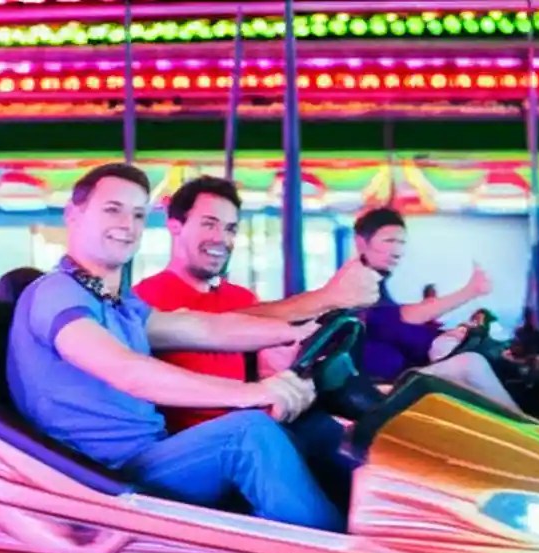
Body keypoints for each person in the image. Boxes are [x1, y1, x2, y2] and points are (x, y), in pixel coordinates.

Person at [7, 163, 342, 531]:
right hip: (104, 479)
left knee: (315, 433)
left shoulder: (117, 301)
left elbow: (203, 328)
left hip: (148, 455)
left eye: (137, 214)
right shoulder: (55, 293)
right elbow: (129, 372)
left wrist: (291, 332)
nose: (128, 225)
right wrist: (251, 393)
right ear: (74, 214)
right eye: (112, 209)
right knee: (248, 433)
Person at [133, 176, 380, 511]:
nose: (222, 238)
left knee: (351, 437)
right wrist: (328, 296)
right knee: (312, 440)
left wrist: (297, 370)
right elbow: (215, 325)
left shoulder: (239, 295)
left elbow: (266, 352)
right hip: (205, 449)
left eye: (231, 228)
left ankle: (402, 525)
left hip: (263, 423)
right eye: (209, 224)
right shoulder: (148, 299)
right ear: (175, 225)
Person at [351, 208, 523, 410]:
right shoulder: (357, 282)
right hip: (381, 387)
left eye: (401, 243)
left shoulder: (377, 282)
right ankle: (532, 435)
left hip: (402, 376)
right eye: (389, 241)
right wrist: (470, 291)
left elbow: (402, 323)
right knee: (469, 364)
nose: (397, 250)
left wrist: (449, 333)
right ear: (361, 242)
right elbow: (401, 318)